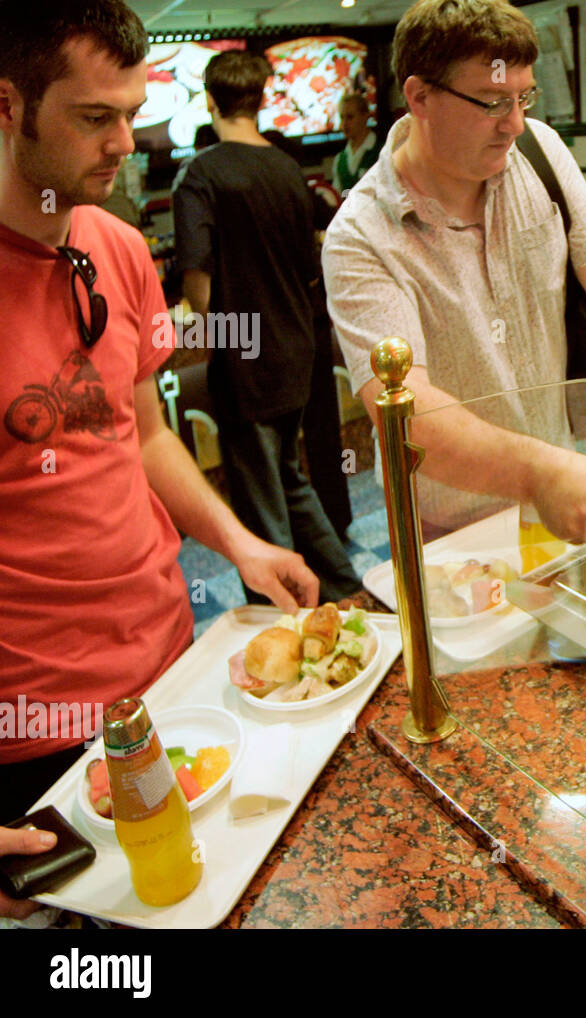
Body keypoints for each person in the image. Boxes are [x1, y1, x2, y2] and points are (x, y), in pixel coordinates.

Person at [0, 0, 318, 913]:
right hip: (37, 728)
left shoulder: (118, 246)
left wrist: (241, 544)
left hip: (171, 665)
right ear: (10, 105)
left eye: (132, 116)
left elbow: (140, 436)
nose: (123, 144)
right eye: (94, 118)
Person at [323, 0, 586, 546]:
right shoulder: (361, 236)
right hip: (451, 526)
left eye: (524, 97)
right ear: (420, 96)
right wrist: (538, 472)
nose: (515, 124)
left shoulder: (539, 152)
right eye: (493, 102)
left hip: (564, 491)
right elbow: (409, 414)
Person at [173, 50, 361, 604]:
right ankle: (350, 591)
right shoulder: (286, 170)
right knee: (288, 480)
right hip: (297, 349)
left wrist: (219, 336)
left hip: (247, 359)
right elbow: (308, 266)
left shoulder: (200, 175)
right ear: (259, 101)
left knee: (259, 502)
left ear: (209, 101)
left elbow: (196, 286)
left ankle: (287, 622)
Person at [332, 92, 380, 196]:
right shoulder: (340, 160)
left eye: (350, 117)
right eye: (342, 118)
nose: (344, 124)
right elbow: (339, 197)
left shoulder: (382, 152)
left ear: (365, 116)